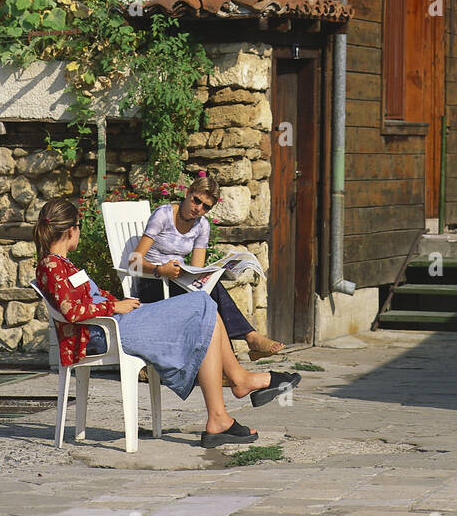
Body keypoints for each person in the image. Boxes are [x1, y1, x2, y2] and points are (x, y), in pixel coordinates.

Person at [34, 196, 300, 447]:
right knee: (201, 304)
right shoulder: (51, 266)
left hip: (116, 322)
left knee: (205, 308)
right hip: (105, 333)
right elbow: (71, 311)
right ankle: (236, 386)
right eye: (79, 227)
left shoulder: (63, 264)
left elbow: (83, 301)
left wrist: (119, 304)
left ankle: (224, 409)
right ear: (70, 230)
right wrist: (115, 305)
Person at [131, 174, 285, 357]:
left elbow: (197, 268)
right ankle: (248, 339)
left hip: (177, 282)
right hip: (153, 282)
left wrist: (209, 274)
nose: (199, 209)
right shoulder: (163, 215)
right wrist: (160, 270)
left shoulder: (202, 225)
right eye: (196, 201)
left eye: (206, 207)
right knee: (210, 298)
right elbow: (134, 262)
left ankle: (235, 356)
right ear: (188, 193)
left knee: (209, 292)